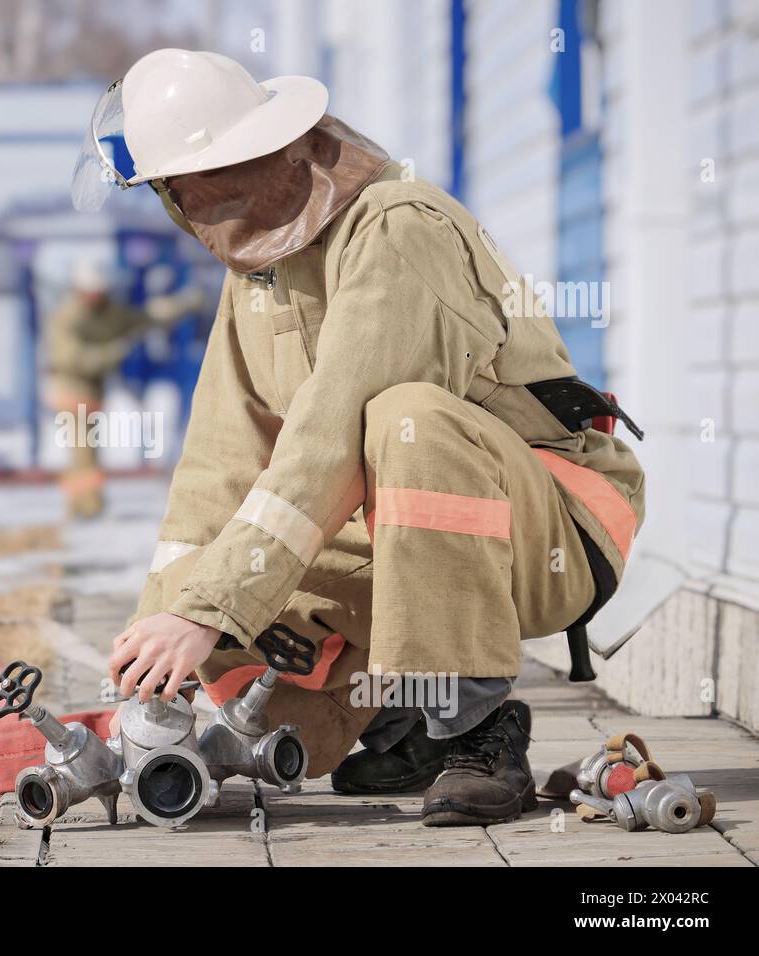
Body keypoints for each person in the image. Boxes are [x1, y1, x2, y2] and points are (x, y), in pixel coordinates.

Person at [85, 49, 645, 826]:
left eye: (170, 188)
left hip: (558, 520)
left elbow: (333, 434)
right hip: (409, 519)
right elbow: (218, 466)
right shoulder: (259, 269)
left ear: (220, 175)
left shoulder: (398, 230)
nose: (172, 206)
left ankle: (478, 731)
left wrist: (213, 604)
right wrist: (155, 654)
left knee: (407, 421)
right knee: (220, 625)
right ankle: (402, 719)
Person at [44, 260, 203, 518]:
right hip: (71, 391)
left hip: (91, 392)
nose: (100, 296)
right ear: (82, 291)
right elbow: (70, 357)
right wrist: (111, 354)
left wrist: (183, 304)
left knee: (85, 452)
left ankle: (81, 504)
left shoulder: (109, 312)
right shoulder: (67, 316)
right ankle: (87, 505)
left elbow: (147, 317)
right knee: (83, 452)